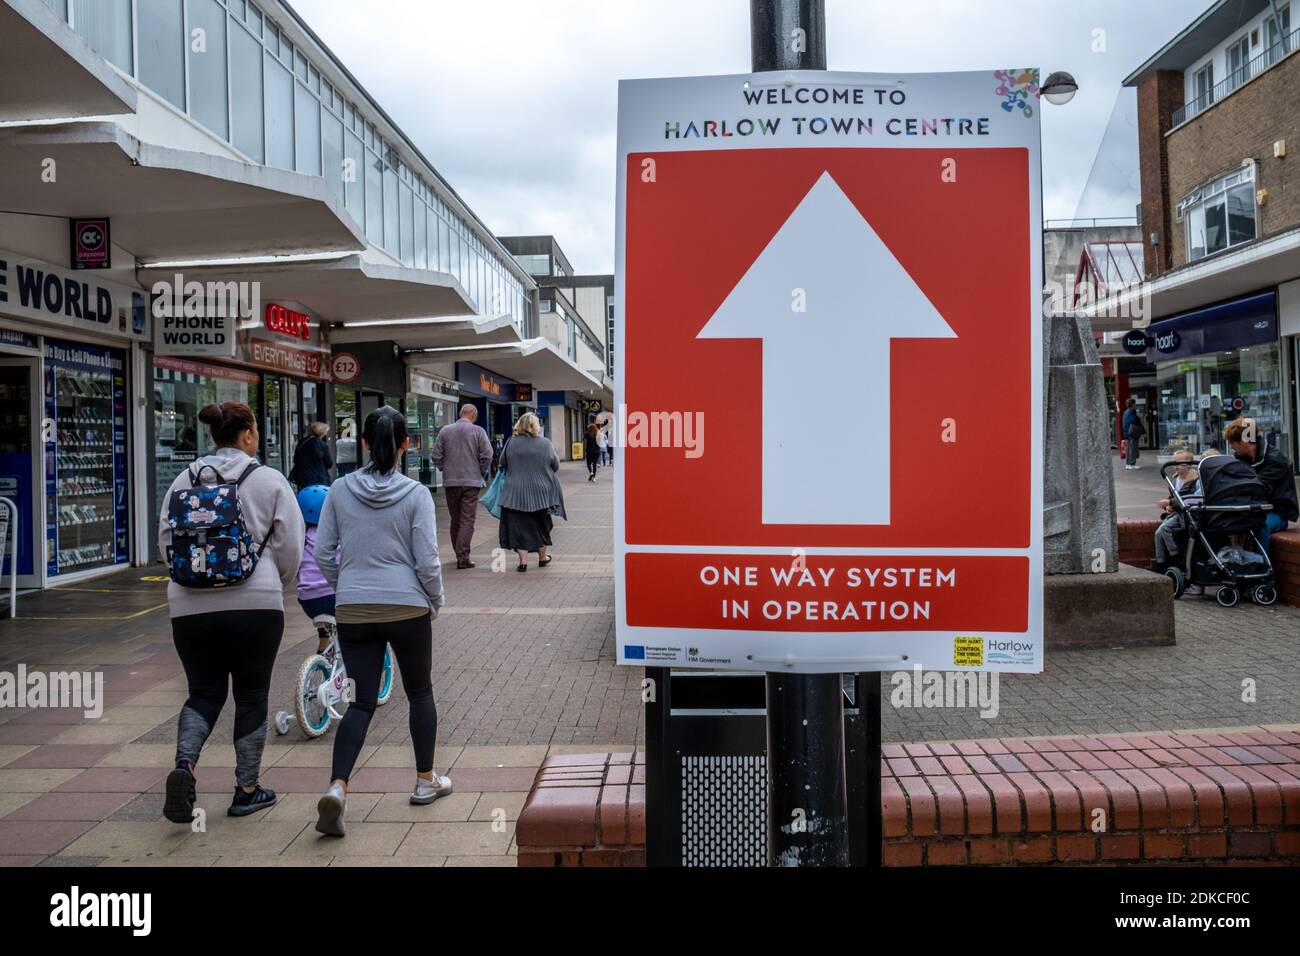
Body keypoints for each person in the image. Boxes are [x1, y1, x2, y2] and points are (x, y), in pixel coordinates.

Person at [157, 402, 304, 824]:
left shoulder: (184, 480)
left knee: (203, 692)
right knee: (252, 694)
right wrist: (276, 581)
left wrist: (191, 578)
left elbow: (167, 542)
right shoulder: (269, 480)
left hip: (187, 605)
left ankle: (184, 765)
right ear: (247, 435)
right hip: (255, 604)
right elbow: (291, 544)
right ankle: (246, 789)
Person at [313, 406, 448, 837]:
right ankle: (425, 781)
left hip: (354, 611)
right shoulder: (416, 495)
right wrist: (435, 600)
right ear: (406, 444)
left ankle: (337, 788)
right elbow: (427, 560)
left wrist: (348, 586)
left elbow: (322, 554)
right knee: (420, 691)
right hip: (408, 608)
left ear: (365, 443)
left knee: (360, 702)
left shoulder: (338, 489)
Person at [499, 412, 567, 571]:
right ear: (535, 426)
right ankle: (543, 558)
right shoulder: (545, 443)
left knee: (518, 527)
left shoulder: (511, 442)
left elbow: (502, 463)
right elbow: (555, 466)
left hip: (515, 494)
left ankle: (523, 563)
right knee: (541, 525)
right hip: (541, 493)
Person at [431, 403, 493, 569]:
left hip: (451, 482)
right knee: (467, 519)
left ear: (460, 413)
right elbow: (487, 455)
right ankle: (463, 557)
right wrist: (480, 471)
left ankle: (458, 552)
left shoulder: (445, 431)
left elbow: (435, 455)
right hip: (471, 482)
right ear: (473, 414)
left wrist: (445, 468)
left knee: (456, 519)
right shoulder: (478, 432)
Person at [1224, 417, 1298, 555]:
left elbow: (1258, 488)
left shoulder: (1275, 460)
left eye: (1232, 442)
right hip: (1254, 509)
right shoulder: (1241, 458)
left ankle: (1263, 567)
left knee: (1260, 526)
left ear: (1244, 442)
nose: (1231, 446)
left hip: (1277, 512)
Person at [1154, 449, 1203, 591]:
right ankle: (1160, 561)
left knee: (1165, 529)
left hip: (1188, 513)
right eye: (1174, 463)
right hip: (1178, 511)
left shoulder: (1195, 479)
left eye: (1180, 463)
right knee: (1158, 533)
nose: (1176, 466)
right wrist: (1168, 505)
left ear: (1189, 465)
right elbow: (1174, 498)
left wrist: (1171, 503)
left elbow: (1193, 499)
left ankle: (1175, 557)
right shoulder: (1175, 479)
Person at [295, 484, 336, 656]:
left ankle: (322, 652)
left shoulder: (300, 538)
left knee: (325, 624)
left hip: (308, 600)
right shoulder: (334, 535)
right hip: (333, 596)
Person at [289, 421, 333, 489]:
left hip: (302, 477)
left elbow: (296, 459)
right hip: (319, 478)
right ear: (322, 432)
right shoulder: (321, 444)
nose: (326, 433)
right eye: (326, 431)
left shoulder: (302, 442)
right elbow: (329, 464)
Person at [1122, 398, 1145, 470]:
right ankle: (1132, 464)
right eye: (1135, 404)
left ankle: (1128, 464)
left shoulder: (1125, 412)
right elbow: (1135, 421)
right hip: (1132, 432)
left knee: (1129, 449)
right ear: (1132, 405)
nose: (1135, 405)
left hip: (1127, 432)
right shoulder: (1132, 412)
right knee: (1132, 448)